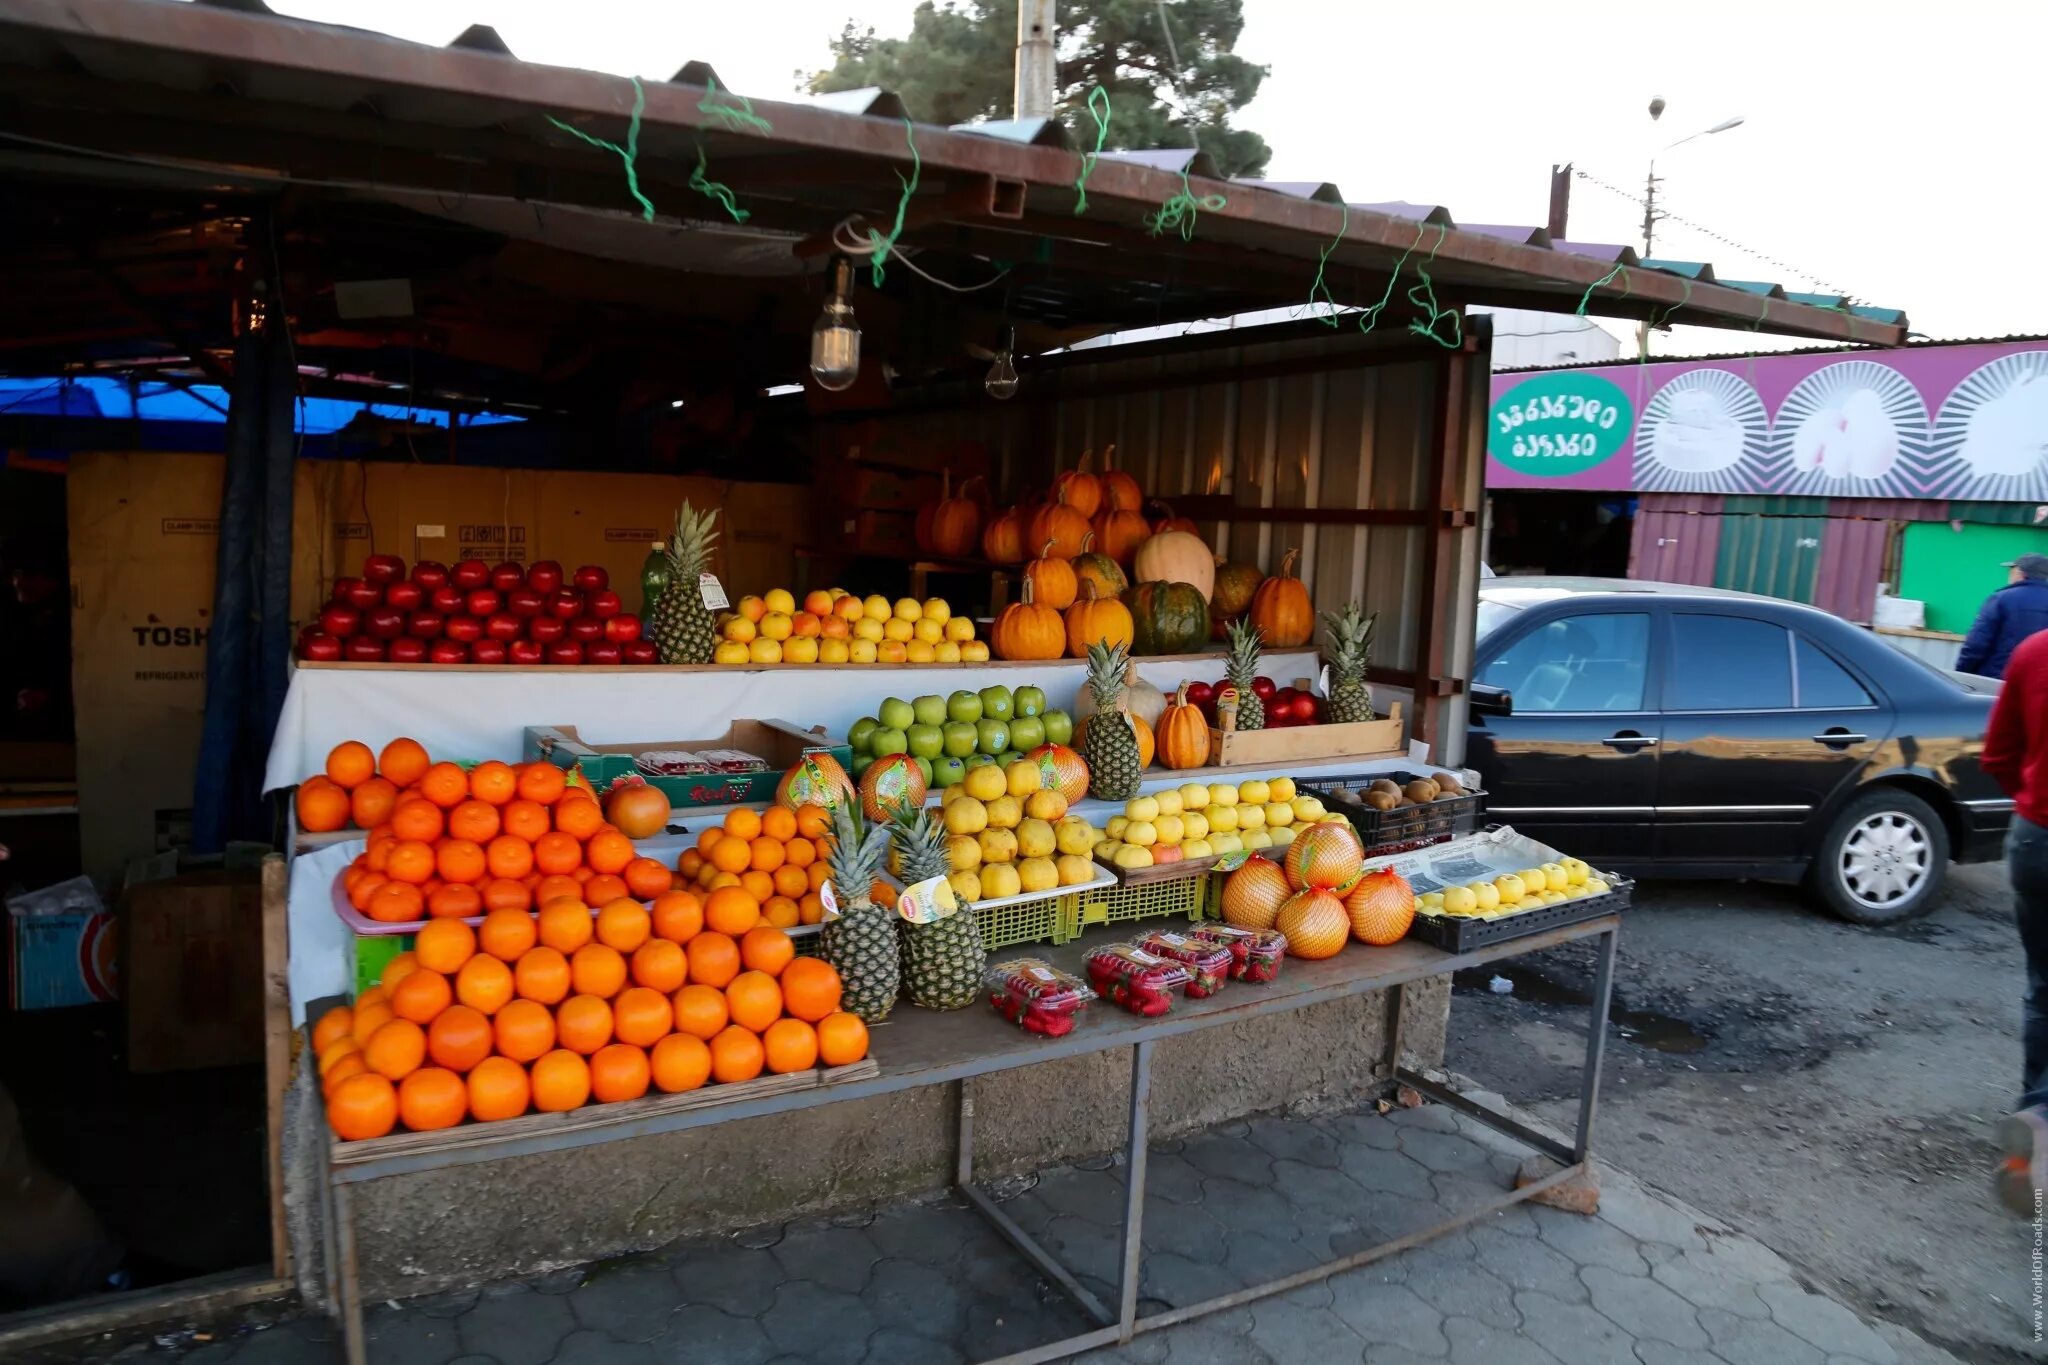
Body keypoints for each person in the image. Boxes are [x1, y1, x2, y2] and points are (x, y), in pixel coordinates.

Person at [1987, 627, 2048, 1214]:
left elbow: (1998, 756)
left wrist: (2032, 802)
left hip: (2038, 842)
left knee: (2043, 990)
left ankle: (2033, 1114)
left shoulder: (2034, 652)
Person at [1958, 552, 2048, 678]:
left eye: (2011, 570)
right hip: (2038, 683)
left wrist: (1961, 673)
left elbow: (1976, 644)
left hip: (1997, 680)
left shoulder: (2001, 599)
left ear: (2020, 573)